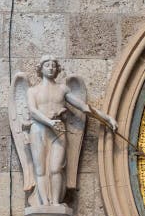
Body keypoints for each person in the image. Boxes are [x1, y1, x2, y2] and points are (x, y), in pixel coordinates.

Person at [25, 55, 117, 206]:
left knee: (56, 168)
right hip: (39, 129)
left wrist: (106, 118)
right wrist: (49, 122)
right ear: (40, 69)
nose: (51, 67)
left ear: (57, 69)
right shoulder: (32, 91)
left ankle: (55, 202)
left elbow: (83, 107)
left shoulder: (62, 89)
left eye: (53, 65)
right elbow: (33, 111)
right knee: (40, 168)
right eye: (47, 65)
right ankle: (44, 204)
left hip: (59, 130)